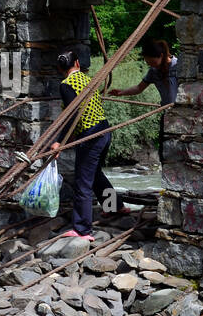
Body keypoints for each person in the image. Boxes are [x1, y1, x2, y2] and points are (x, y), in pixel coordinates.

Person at [48, 47, 113, 241]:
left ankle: (83, 229)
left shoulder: (66, 84)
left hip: (90, 135)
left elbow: (72, 114)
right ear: (77, 64)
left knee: (82, 182)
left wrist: (59, 141)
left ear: (60, 69)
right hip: (104, 130)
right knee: (96, 174)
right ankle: (115, 207)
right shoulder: (87, 79)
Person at [113, 37, 178, 105]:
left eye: (153, 62)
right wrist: (122, 92)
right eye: (149, 64)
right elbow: (139, 88)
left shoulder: (178, 66)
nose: (152, 66)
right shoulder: (153, 71)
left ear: (161, 55)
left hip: (181, 110)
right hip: (167, 110)